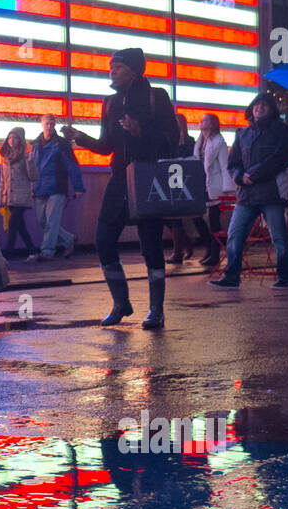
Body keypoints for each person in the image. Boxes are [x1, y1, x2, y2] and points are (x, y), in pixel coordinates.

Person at [62, 46, 179, 329]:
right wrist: (80, 137)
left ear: (135, 70)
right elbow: (105, 147)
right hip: (119, 179)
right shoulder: (110, 103)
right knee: (103, 240)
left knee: (151, 245)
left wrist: (142, 132)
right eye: (111, 66)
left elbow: (173, 139)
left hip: (148, 178)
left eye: (119, 67)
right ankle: (121, 302)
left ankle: (156, 310)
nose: (112, 71)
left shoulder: (156, 96)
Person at [209, 91, 288, 290]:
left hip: (271, 193)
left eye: (264, 105)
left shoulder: (281, 131)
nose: (260, 108)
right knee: (235, 234)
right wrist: (239, 177)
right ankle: (231, 277)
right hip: (246, 195)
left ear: (272, 109)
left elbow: (280, 158)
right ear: (251, 108)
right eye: (257, 104)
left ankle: (285, 277)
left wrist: (252, 175)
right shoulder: (243, 134)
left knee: (278, 237)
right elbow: (233, 163)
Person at [28, 112, 84, 261]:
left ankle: (47, 251)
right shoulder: (35, 145)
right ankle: (68, 239)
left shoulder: (61, 144)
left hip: (57, 187)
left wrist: (78, 187)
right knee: (43, 221)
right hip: (40, 187)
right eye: (47, 123)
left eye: (52, 124)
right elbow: (31, 167)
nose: (50, 126)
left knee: (51, 221)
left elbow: (72, 165)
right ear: (42, 124)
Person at [193, 113, 233, 269]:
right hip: (202, 184)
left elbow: (224, 165)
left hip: (215, 185)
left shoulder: (219, 142)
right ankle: (210, 248)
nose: (201, 122)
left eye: (205, 120)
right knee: (197, 216)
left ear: (212, 124)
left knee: (214, 220)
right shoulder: (200, 140)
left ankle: (215, 254)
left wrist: (227, 188)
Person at [0, 127, 36, 259]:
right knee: (21, 227)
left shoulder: (26, 156)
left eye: (14, 138)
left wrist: (30, 162)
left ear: (20, 140)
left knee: (13, 225)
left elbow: (33, 177)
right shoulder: (5, 157)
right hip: (9, 197)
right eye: (9, 137)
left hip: (21, 196)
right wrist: (2, 198)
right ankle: (32, 251)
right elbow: (3, 179)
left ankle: (7, 255)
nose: (11, 140)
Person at [165, 112, 197, 263]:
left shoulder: (189, 141)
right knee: (169, 217)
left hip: (182, 181)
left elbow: (191, 162)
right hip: (171, 179)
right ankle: (185, 243)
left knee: (175, 217)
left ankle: (178, 251)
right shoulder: (170, 140)